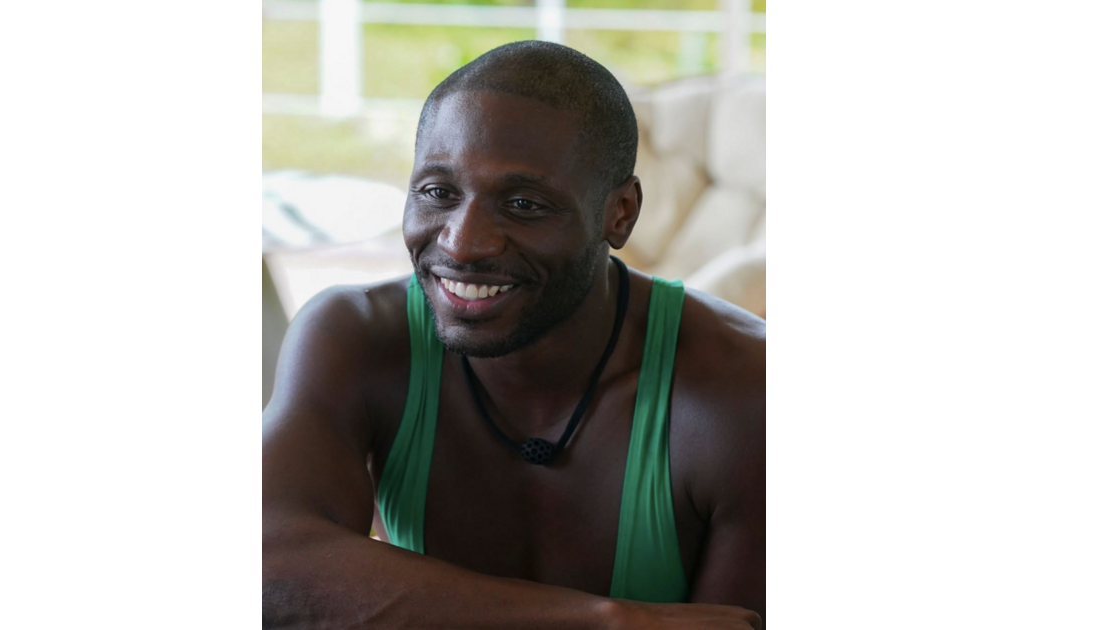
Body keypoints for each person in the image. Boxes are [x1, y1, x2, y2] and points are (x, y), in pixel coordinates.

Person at [263, 41, 766, 629]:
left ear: (621, 213)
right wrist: (610, 621)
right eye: (438, 193)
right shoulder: (355, 338)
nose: (462, 243)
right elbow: (267, 568)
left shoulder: (744, 387)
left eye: (524, 204)